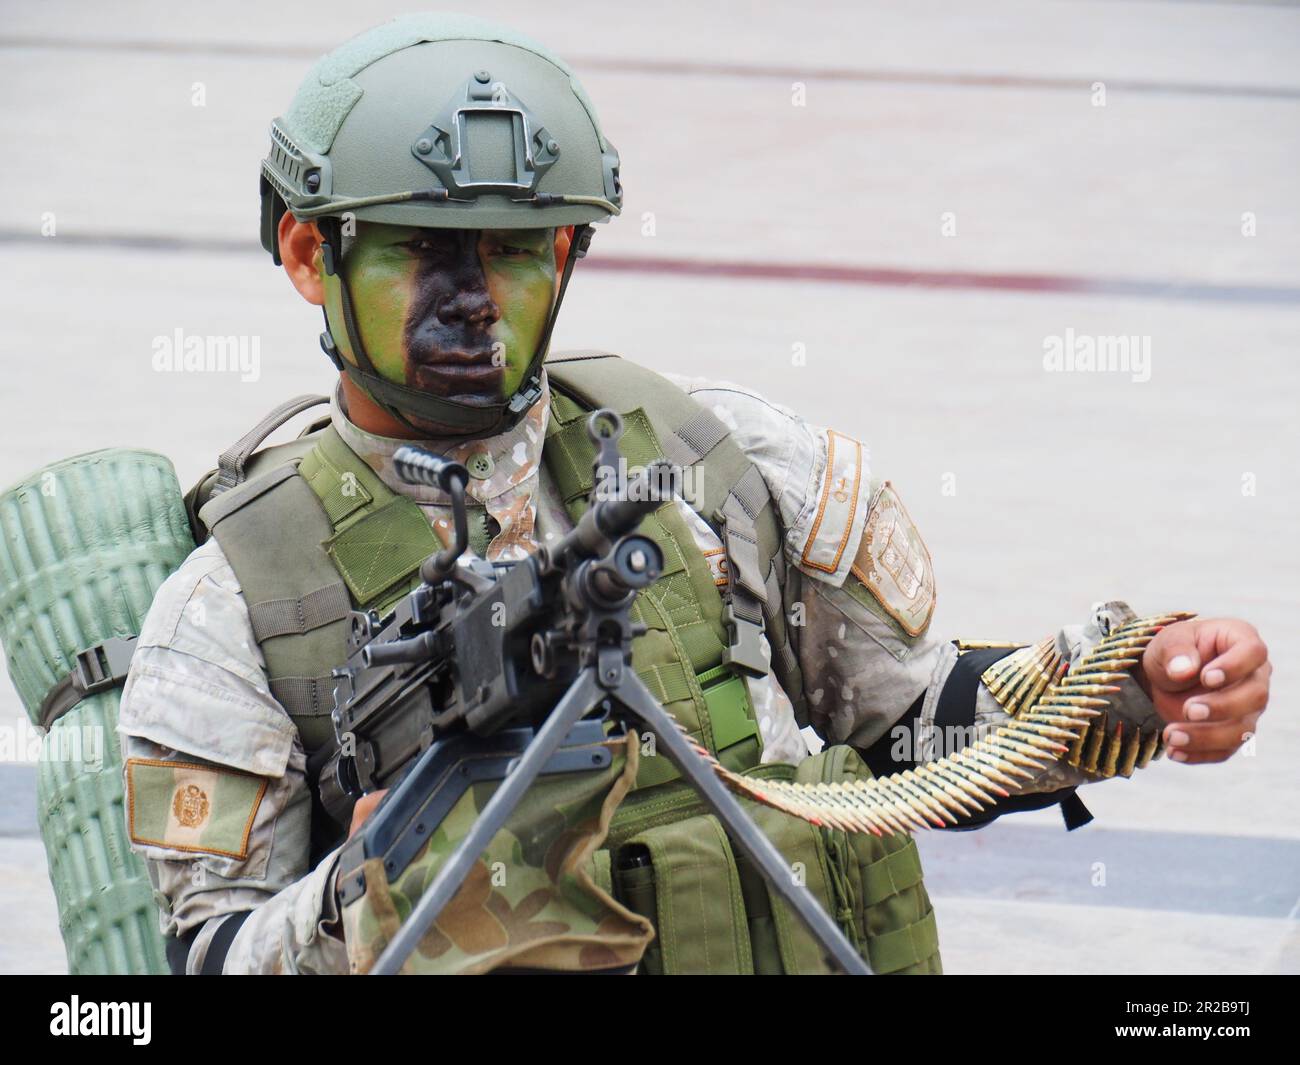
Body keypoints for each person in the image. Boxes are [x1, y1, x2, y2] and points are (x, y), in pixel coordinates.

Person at [117, 13, 1271, 975]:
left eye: (517, 253)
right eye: (423, 249)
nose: (472, 300)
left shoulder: (719, 460)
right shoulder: (233, 608)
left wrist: (1134, 693)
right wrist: (356, 896)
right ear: (312, 256)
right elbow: (211, 954)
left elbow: (911, 731)